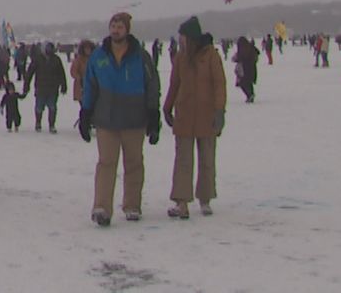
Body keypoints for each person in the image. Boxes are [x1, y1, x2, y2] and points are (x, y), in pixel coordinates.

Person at [78, 12, 157, 225]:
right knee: (106, 163)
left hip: (134, 119)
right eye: (113, 25)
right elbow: (90, 85)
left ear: (127, 29)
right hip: (107, 119)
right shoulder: (98, 56)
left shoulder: (140, 56)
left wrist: (154, 113)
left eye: (120, 26)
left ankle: (132, 205)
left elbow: (152, 86)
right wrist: (85, 112)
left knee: (133, 163)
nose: (115, 30)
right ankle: (102, 207)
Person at [164, 16, 224, 219]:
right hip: (185, 116)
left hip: (207, 116)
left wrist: (219, 112)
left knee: (207, 159)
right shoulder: (181, 58)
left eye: (183, 36)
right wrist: (167, 107)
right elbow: (174, 84)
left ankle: (205, 199)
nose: (180, 40)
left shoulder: (211, 56)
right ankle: (182, 202)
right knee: (183, 160)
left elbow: (219, 85)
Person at [29, 41, 67, 133]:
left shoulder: (56, 59)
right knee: (39, 107)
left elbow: (61, 73)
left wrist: (64, 85)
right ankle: (38, 123)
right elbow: (29, 73)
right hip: (40, 88)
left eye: (51, 48)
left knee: (52, 107)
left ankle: (52, 125)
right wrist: (26, 85)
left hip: (53, 88)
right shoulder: (37, 59)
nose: (49, 50)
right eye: (48, 48)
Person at [233, 37, 259, 104]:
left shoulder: (243, 49)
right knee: (248, 82)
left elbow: (237, 58)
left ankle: (249, 95)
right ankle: (251, 95)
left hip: (244, 69)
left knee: (243, 83)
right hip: (252, 68)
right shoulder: (251, 48)